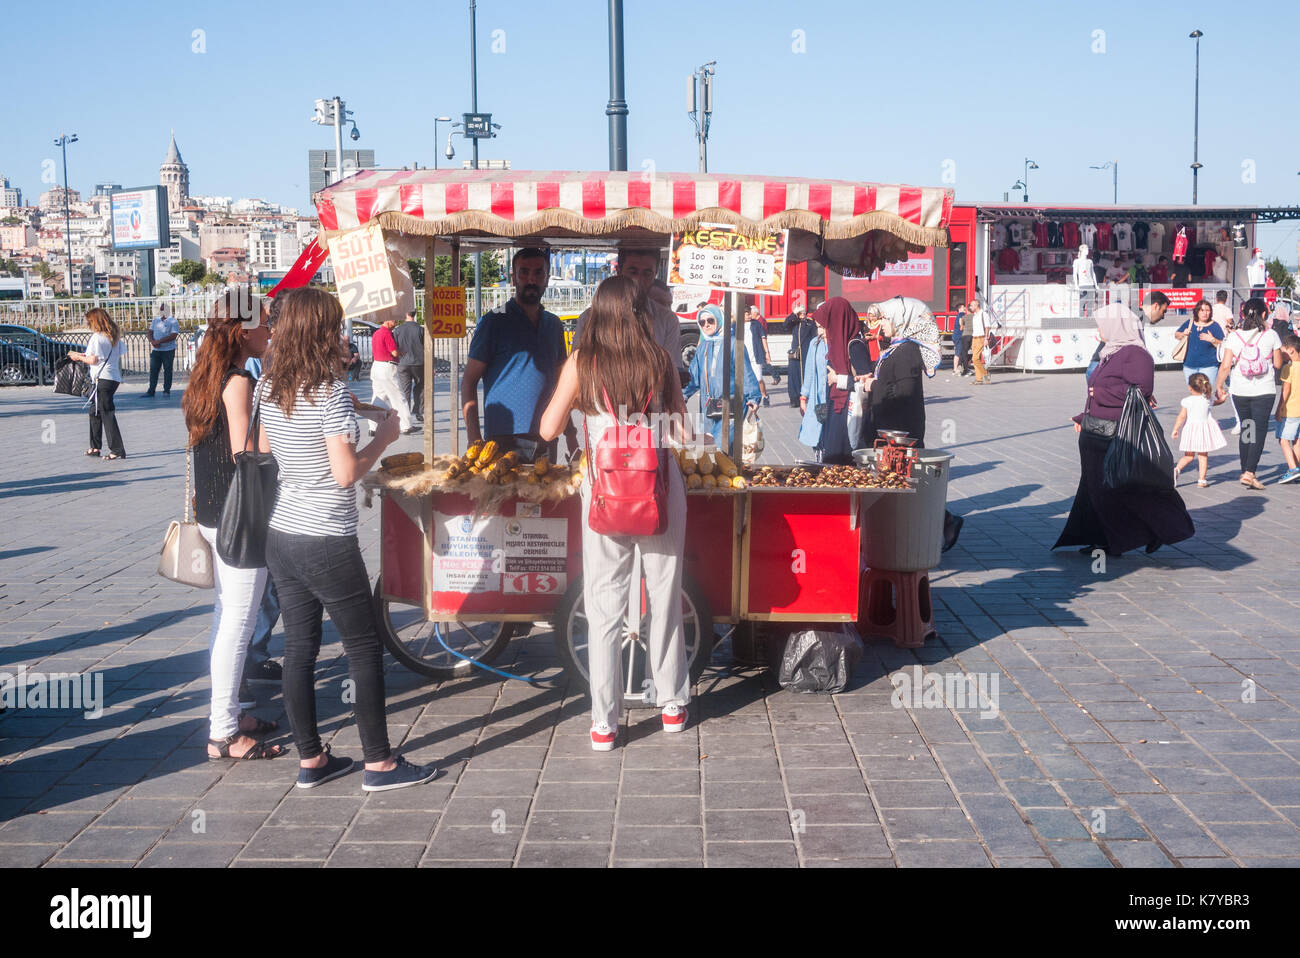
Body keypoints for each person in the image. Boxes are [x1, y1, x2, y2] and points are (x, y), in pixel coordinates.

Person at [258, 287, 438, 791]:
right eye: (335, 326)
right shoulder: (329, 392)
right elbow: (344, 474)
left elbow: (271, 445)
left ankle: (311, 760)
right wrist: (385, 436)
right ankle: (379, 763)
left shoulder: (268, 386)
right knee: (363, 647)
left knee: (299, 649)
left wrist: (357, 409)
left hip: (283, 532)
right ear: (318, 331)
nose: (342, 334)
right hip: (326, 538)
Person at [538, 276, 690, 751]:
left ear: (596, 313)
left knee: (604, 604)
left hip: (603, 493)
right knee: (664, 595)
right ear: (641, 312)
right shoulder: (660, 360)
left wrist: (593, 415)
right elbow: (682, 434)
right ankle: (670, 706)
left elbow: (547, 430)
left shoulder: (583, 361)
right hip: (658, 490)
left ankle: (604, 723)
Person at [181, 289, 282, 760]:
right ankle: (222, 732)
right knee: (237, 624)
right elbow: (249, 453)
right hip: (237, 517)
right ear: (242, 330)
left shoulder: (205, 375)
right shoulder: (238, 379)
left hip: (213, 514)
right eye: (265, 323)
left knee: (227, 615)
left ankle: (233, 710)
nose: (271, 331)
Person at [1054, 304, 1194, 556]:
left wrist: (1102, 393)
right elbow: (1099, 390)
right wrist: (1083, 416)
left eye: (1103, 323)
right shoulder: (1111, 351)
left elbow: (1141, 391)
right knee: (1097, 491)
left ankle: (1156, 530)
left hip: (1115, 435)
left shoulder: (1136, 354)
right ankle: (1106, 539)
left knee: (1122, 489)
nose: (1099, 329)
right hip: (1095, 431)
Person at [855, 296, 964, 552]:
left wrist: (873, 386)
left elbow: (903, 390)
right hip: (894, 428)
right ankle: (939, 522)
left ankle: (942, 522)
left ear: (900, 320)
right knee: (904, 483)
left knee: (905, 484)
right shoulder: (898, 347)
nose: (880, 325)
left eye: (884, 319)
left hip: (901, 431)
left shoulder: (907, 351)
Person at [462, 247, 574, 461]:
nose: (531, 279)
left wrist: (571, 436)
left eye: (538, 273)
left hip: (548, 435)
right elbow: (468, 381)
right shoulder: (493, 321)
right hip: (503, 439)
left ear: (547, 279)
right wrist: (473, 439)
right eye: (524, 272)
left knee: (545, 495)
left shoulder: (554, 325)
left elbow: (563, 386)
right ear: (514, 278)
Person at [575, 247, 683, 375]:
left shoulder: (667, 320)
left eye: (647, 273)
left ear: (655, 275)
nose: (639, 280)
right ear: (619, 272)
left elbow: (672, 373)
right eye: (633, 272)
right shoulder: (589, 318)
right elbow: (578, 370)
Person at [1214, 298, 1284, 490]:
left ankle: (1245, 468)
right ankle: (1250, 473)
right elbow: (1277, 364)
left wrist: (1219, 387)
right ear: (1264, 314)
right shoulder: (1272, 335)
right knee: (1259, 430)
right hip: (1264, 390)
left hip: (1239, 390)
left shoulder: (1235, 336)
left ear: (1244, 315)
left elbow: (1226, 365)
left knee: (1247, 427)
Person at [683, 305, 761, 448]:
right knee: (710, 450)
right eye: (702, 322)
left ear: (719, 319)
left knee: (722, 447)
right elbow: (693, 378)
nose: (706, 325)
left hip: (730, 405)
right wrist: (683, 395)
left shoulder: (733, 344)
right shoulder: (703, 347)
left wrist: (753, 397)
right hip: (708, 407)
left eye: (710, 320)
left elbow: (745, 372)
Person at [816, 297, 872, 463]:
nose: (824, 330)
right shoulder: (836, 344)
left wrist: (837, 379)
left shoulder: (854, 346)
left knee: (841, 460)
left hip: (848, 412)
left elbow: (866, 384)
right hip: (836, 409)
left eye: (827, 323)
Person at [68, 308, 127, 460]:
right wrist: (83, 356)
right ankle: (94, 447)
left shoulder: (96, 337)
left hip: (102, 379)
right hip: (112, 377)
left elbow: (93, 360)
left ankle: (117, 449)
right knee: (95, 411)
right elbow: (108, 355)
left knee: (106, 412)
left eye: (89, 322)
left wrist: (78, 357)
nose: (88, 324)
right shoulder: (113, 336)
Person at [1171, 373, 1226, 488]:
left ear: (1190, 387)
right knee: (1203, 456)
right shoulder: (1208, 399)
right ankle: (1201, 480)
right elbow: (1216, 402)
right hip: (1203, 431)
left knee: (1189, 456)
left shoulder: (1186, 401)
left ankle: (1176, 470)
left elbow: (1182, 417)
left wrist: (1176, 429)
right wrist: (1222, 400)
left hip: (1190, 430)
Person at [368, 313, 415, 435]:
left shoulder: (376, 333)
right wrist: (401, 352)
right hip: (387, 367)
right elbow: (394, 352)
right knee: (398, 397)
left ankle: (372, 426)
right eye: (394, 320)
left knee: (378, 397)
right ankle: (406, 426)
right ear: (387, 320)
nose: (396, 323)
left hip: (376, 366)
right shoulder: (387, 333)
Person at [1174, 299, 1226, 385]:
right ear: (1197, 311)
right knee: (1194, 393)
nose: (1205, 313)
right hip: (1189, 366)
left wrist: (1212, 339)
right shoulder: (1190, 322)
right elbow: (1176, 335)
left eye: (1207, 310)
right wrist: (1183, 334)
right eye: (1202, 310)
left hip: (1209, 367)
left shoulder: (1214, 326)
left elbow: (1223, 345)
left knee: (1205, 392)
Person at [797, 317, 829, 456]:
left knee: (830, 435)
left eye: (823, 327)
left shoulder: (839, 344)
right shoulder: (815, 344)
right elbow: (809, 370)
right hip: (818, 397)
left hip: (834, 398)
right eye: (818, 327)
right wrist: (804, 396)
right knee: (817, 433)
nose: (820, 331)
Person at [393, 309, 425, 423]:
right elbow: (426, 347)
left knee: (405, 390)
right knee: (420, 388)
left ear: (406, 314)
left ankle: (405, 416)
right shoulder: (421, 330)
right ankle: (418, 412)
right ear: (415, 314)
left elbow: (394, 348)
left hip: (403, 363)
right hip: (419, 363)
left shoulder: (397, 331)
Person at [1276, 334, 1300, 484]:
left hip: (1290, 410)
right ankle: (1296, 467)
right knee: (1297, 440)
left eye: (1283, 351)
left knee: (1283, 440)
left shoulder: (1288, 368)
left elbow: (1286, 390)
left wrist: (1279, 409)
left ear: (1291, 350)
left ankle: (1292, 469)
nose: (1281, 354)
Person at [784, 301, 817, 405]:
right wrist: (793, 314)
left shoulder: (810, 323)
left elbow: (814, 337)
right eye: (800, 313)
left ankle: (805, 396)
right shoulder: (794, 323)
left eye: (803, 313)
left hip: (806, 353)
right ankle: (794, 398)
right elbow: (785, 325)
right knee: (794, 376)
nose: (802, 315)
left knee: (806, 374)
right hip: (795, 354)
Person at [144, 303, 180, 398]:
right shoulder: (155, 320)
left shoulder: (173, 321)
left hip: (168, 350)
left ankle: (166, 390)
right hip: (156, 349)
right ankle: (151, 390)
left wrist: (160, 341)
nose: (162, 311)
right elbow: (150, 332)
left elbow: (173, 335)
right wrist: (153, 341)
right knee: (153, 370)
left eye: (163, 309)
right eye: (161, 309)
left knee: (167, 370)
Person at [744, 304, 777, 406]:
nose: (749, 316)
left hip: (756, 356)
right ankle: (748, 399)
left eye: (750, 314)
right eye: (747, 314)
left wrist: (767, 353)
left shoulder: (756, 324)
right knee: (745, 380)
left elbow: (763, 338)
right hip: (744, 356)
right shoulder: (736, 325)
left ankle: (765, 396)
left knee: (759, 378)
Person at [968, 298, 990, 385]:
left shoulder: (983, 314)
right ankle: (979, 379)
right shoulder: (975, 315)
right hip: (974, 338)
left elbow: (987, 326)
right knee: (976, 359)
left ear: (976, 305)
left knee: (975, 358)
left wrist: (986, 338)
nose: (970, 307)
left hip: (981, 338)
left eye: (972, 305)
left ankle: (986, 374)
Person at [951, 305, 965, 374]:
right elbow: (961, 324)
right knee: (958, 353)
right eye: (963, 307)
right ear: (959, 309)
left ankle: (959, 368)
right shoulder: (961, 314)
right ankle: (955, 369)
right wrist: (963, 326)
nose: (964, 308)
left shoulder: (958, 315)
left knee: (960, 352)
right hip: (959, 336)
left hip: (956, 336)